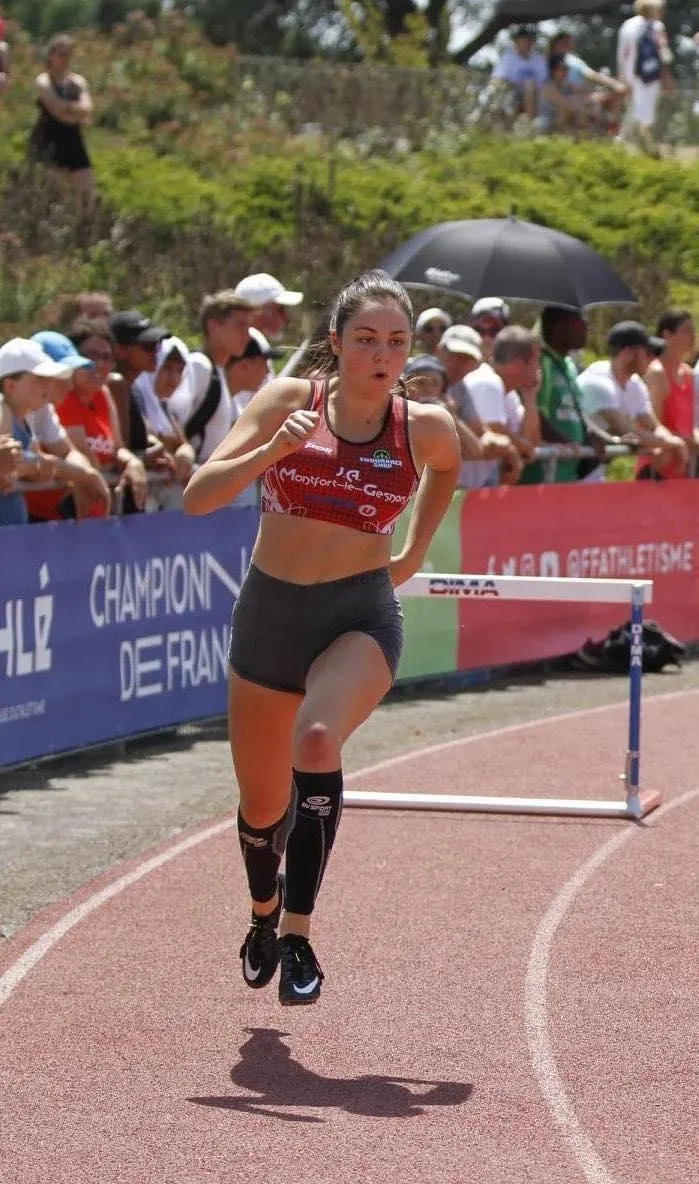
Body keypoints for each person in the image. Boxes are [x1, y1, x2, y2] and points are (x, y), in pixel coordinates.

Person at [183, 270, 460, 1006]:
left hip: (357, 616)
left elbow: (446, 468)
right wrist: (272, 450)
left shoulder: (422, 425)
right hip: (270, 616)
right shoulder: (286, 402)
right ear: (334, 344)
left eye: (396, 343)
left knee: (316, 742)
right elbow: (198, 497)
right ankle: (263, 914)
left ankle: (301, 935)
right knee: (262, 806)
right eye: (365, 339)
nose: (381, 354)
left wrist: (410, 550)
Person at [577, 320, 687, 481]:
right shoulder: (598, 383)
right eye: (649, 352)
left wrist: (671, 442)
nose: (653, 360)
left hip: (593, 469)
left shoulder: (634, 382)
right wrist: (673, 444)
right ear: (628, 352)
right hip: (568, 472)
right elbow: (629, 432)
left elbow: (654, 427)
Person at [0, 338, 74, 525]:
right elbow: (11, 464)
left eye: (50, 378)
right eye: (40, 379)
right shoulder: (2, 410)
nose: (49, 385)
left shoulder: (24, 420)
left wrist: (33, 465)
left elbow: (39, 469)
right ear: (10, 386)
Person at [28, 34, 94, 206]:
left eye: (68, 54)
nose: (65, 58)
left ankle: (83, 230)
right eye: (61, 54)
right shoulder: (44, 80)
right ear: (51, 55)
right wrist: (75, 110)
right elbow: (56, 108)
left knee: (86, 194)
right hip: (50, 140)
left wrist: (69, 109)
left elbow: (87, 108)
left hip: (74, 140)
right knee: (51, 196)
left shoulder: (78, 81)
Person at [642, 309, 698, 478]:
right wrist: (686, 441)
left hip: (685, 467)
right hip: (659, 468)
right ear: (667, 335)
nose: (693, 336)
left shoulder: (688, 373)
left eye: (694, 331)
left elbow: (691, 423)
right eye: (687, 330)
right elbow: (653, 425)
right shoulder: (656, 372)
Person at [616, 0, 672, 155]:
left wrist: (622, 76)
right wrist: (667, 76)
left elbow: (622, 54)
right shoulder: (657, 26)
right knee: (645, 112)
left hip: (632, 74)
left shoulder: (628, 25)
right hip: (650, 75)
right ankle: (641, 146)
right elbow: (664, 54)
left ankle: (628, 143)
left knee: (634, 109)